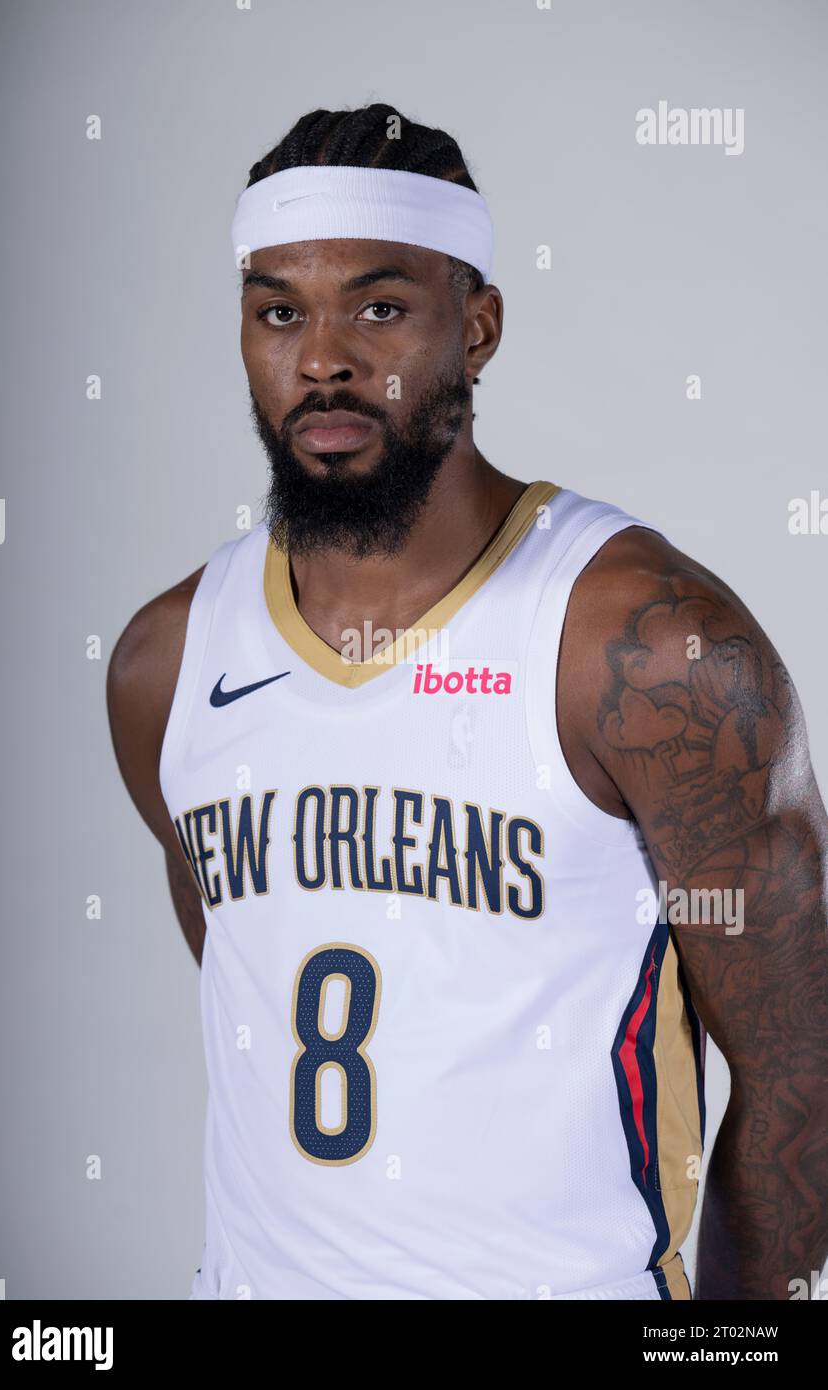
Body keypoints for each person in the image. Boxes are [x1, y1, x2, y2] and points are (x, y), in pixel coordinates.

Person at [107, 104, 828, 1301]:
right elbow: (245, 967)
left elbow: (801, 1071)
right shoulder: (165, 661)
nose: (323, 356)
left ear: (478, 325)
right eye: (278, 310)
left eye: (379, 307)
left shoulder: (646, 648)